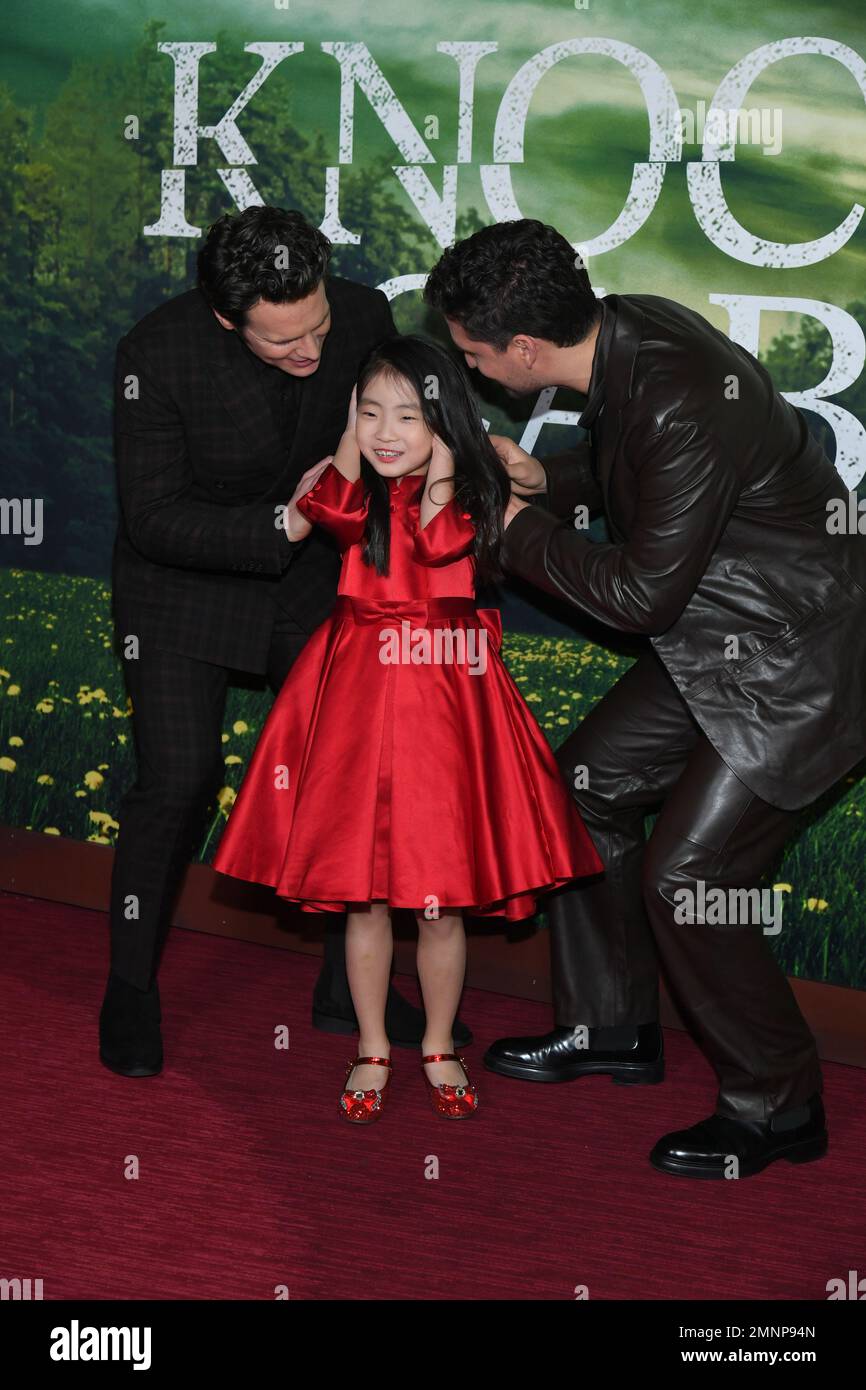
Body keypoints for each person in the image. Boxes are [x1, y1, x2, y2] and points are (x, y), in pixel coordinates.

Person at [424, 217, 866, 1177]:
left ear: (525, 348)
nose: (473, 370)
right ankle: (611, 1028)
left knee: (691, 883)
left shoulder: (669, 393)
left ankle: (778, 1105)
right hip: (719, 634)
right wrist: (549, 478)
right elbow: (659, 492)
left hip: (799, 659)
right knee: (580, 786)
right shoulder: (630, 336)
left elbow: (637, 593)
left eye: (473, 353)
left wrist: (507, 524)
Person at [102, 206, 472, 1079]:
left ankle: (346, 987)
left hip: (313, 586)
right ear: (228, 319)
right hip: (183, 589)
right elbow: (153, 520)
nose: (310, 352)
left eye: (317, 329)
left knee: (342, 783)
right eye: (281, 344)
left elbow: (407, 436)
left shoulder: (363, 311)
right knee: (177, 783)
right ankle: (129, 987)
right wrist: (291, 518)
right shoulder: (154, 355)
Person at [212, 335, 604, 1123]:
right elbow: (326, 507)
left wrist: (455, 460)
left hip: (446, 698)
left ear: (446, 426)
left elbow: (439, 541)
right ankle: (370, 1044)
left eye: (409, 417)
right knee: (362, 898)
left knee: (438, 900)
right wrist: (350, 444)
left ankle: (437, 1042)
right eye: (369, 413)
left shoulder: (463, 497)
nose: (386, 431)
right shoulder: (352, 493)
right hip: (354, 689)